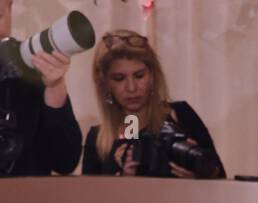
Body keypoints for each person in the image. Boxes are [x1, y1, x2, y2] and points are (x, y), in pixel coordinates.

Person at [82, 30, 225, 178]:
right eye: (119, 78)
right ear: (104, 83)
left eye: (139, 76)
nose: (131, 88)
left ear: (152, 76)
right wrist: (124, 180)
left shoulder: (180, 115)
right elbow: (90, 198)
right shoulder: (98, 139)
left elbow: (220, 178)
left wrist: (200, 175)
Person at [0, 0, 81, 176]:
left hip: (27, 199)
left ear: (10, 10)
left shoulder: (28, 65)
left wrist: (55, 86)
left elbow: (65, 161)